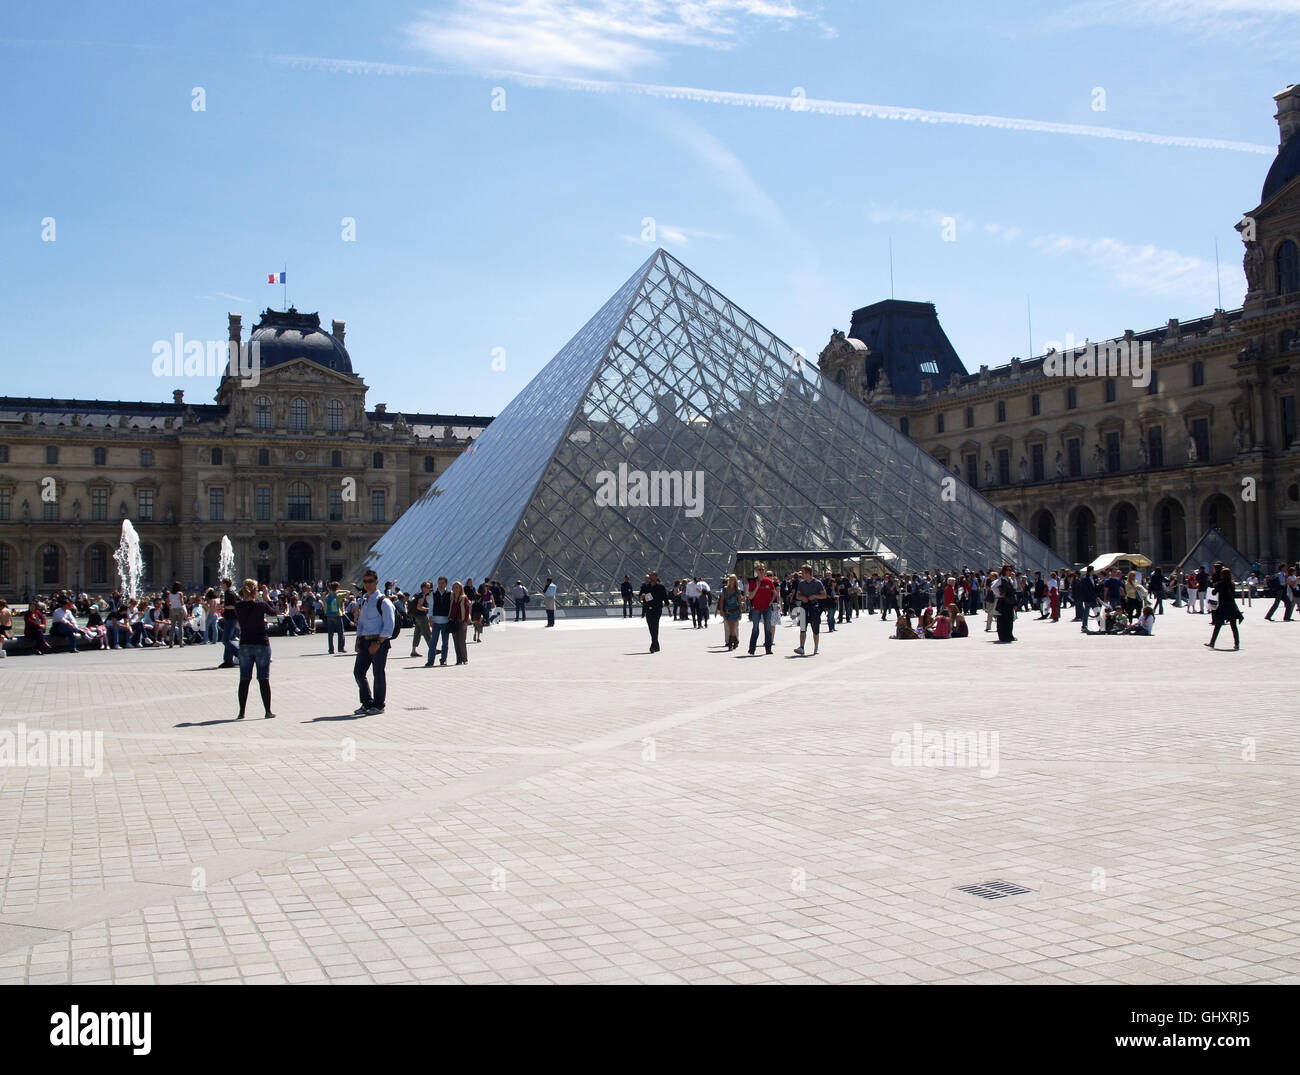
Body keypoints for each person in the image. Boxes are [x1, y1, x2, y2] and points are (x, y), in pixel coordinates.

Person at [233, 579, 277, 720]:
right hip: (261, 643)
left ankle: (241, 712)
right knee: (263, 679)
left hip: (245, 644)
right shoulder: (261, 604)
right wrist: (267, 597)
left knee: (244, 680)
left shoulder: (238, 606)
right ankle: (268, 711)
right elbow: (274, 614)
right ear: (255, 591)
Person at [352, 570, 395, 715]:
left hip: (379, 642)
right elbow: (361, 623)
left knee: (378, 674)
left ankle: (378, 705)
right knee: (358, 672)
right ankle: (366, 702)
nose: (367, 584)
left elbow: (389, 625)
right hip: (364, 641)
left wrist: (378, 642)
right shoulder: (364, 600)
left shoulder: (383, 601)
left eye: (370, 581)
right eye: (365, 581)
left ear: (376, 581)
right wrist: (358, 640)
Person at [1206, 567, 1243, 650]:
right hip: (1231, 606)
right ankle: (1237, 644)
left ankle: (1212, 643)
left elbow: (1213, 592)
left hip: (1222, 606)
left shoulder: (1220, 584)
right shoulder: (1232, 584)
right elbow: (1233, 595)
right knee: (1234, 626)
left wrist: (1214, 585)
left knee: (1218, 625)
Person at [793, 564, 825, 656]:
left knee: (815, 628)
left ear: (808, 573)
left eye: (803, 572)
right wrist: (802, 598)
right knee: (803, 628)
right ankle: (801, 647)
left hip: (814, 607)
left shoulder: (817, 583)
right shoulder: (801, 583)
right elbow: (797, 596)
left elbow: (824, 595)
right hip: (804, 607)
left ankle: (816, 647)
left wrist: (815, 596)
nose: (802, 574)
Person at [746, 563, 777, 656]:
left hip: (767, 607)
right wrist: (757, 587)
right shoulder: (753, 582)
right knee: (755, 628)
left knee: (768, 628)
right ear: (756, 571)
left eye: (763, 569)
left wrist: (771, 602)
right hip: (756, 608)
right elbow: (750, 597)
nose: (762, 571)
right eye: (759, 570)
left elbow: (774, 593)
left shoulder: (769, 581)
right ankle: (752, 649)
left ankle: (768, 649)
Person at [424, 577, 452, 667]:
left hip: (446, 621)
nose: (440, 585)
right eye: (439, 583)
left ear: (446, 583)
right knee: (433, 642)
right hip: (435, 621)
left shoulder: (450, 594)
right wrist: (430, 619)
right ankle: (430, 660)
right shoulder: (433, 594)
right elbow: (431, 607)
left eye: (442, 583)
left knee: (445, 642)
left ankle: (443, 660)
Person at [643, 571, 668, 652]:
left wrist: (669, 610)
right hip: (648, 609)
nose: (650, 577)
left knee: (655, 626)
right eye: (650, 576)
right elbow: (640, 597)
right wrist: (642, 596)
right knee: (651, 627)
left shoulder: (661, 587)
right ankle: (656, 645)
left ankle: (653, 646)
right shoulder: (646, 587)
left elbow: (665, 599)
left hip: (657, 610)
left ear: (656, 577)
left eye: (652, 576)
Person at [717, 574, 744, 650]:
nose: (731, 580)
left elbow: (739, 602)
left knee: (732, 628)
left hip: (735, 611)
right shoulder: (725, 589)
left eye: (733, 579)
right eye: (730, 579)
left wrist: (740, 613)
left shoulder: (737, 590)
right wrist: (721, 610)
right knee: (730, 627)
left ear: (735, 581)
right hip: (727, 611)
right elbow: (722, 600)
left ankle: (730, 644)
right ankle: (735, 641)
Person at [448, 581, 470, 664]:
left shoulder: (464, 598)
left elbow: (467, 611)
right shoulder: (452, 598)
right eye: (454, 587)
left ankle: (465, 659)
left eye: (457, 587)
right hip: (454, 622)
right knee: (456, 642)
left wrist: (465, 622)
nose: (455, 589)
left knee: (461, 641)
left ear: (461, 588)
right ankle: (459, 660)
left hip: (461, 621)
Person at [994, 565, 1017, 643]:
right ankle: (1003, 636)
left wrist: (1014, 579)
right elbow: (993, 587)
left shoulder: (1009, 579)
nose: (1010, 571)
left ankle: (1009, 635)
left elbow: (1015, 587)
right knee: (1002, 619)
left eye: (1010, 570)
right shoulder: (1001, 579)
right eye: (1008, 570)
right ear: (1004, 571)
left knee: (1010, 619)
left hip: (1009, 601)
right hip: (1003, 602)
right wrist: (999, 595)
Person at [409, 581, 431, 658]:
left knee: (417, 633)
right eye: (428, 587)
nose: (429, 589)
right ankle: (432, 649)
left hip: (417, 617)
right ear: (423, 588)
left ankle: (413, 650)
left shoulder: (419, 595)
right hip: (421, 616)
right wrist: (428, 609)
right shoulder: (422, 596)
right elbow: (419, 606)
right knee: (427, 632)